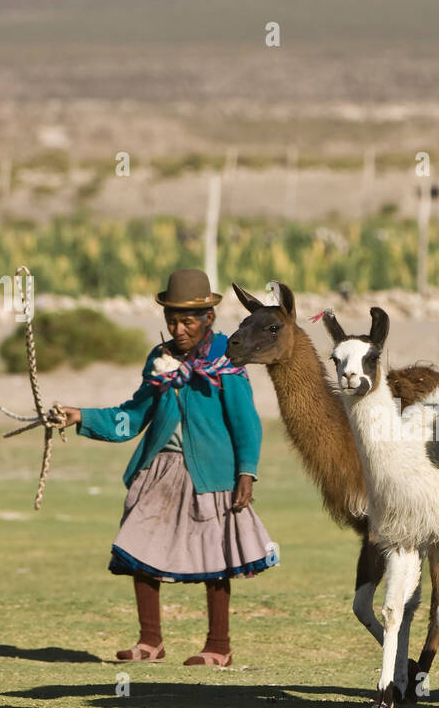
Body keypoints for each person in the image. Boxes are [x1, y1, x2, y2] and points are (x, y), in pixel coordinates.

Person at [58, 269, 276, 666]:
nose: (178, 328)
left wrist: (247, 471)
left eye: (188, 320)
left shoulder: (229, 355)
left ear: (209, 318)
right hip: (159, 468)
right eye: (172, 320)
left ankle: (219, 647)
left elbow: (246, 420)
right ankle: (150, 642)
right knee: (137, 543)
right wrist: (80, 416)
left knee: (215, 556)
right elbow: (132, 416)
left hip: (212, 472)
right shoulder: (159, 361)